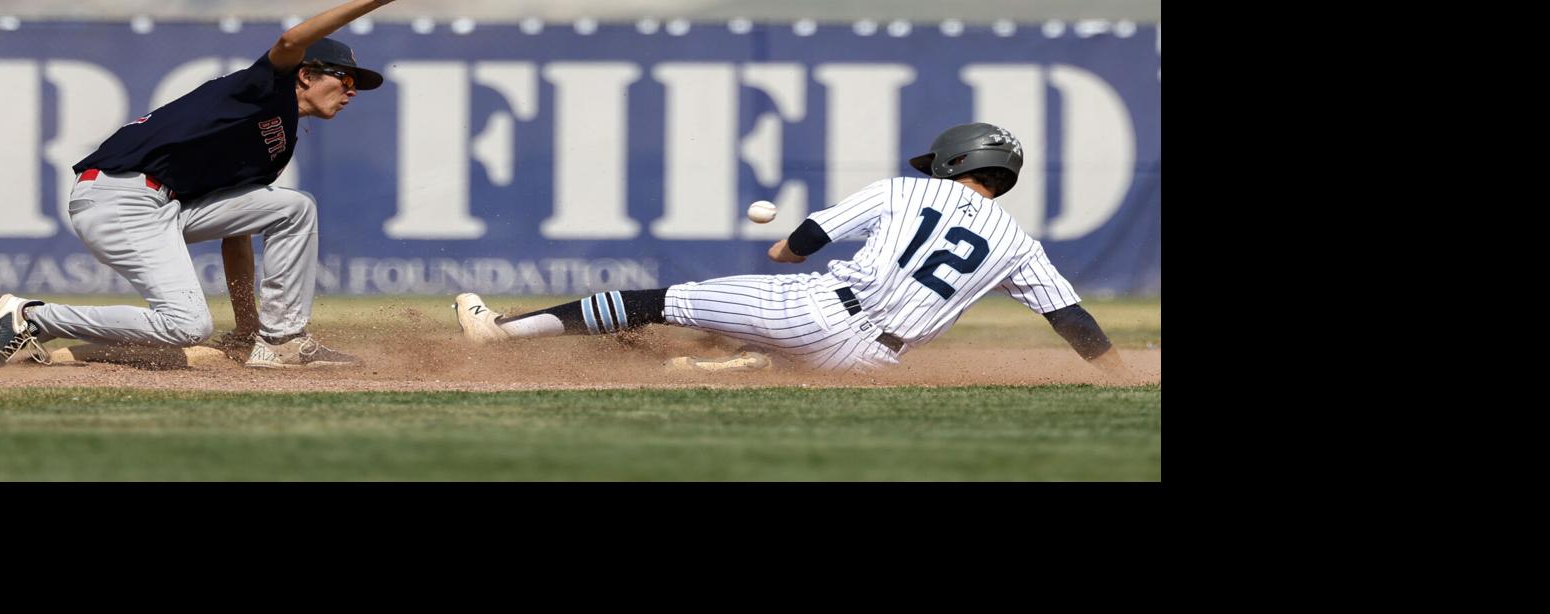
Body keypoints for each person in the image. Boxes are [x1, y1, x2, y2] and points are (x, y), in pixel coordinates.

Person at [450, 122, 1131, 378]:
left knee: (654, 301)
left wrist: (783, 247)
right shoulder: (1020, 243)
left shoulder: (903, 190)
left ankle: (502, 335)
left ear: (953, 162)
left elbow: (803, 243)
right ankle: (737, 366)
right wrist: (1123, 378)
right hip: (874, 363)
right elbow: (1072, 322)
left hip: (819, 310)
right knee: (764, 345)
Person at [0, 0, 396, 371]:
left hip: (162, 207)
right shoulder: (266, 88)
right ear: (306, 75)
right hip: (119, 196)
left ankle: (280, 340)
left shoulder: (277, 146)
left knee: (293, 207)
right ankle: (33, 318)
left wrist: (248, 329)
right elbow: (289, 41)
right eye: (346, 78)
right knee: (187, 325)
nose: (351, 91)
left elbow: (238, 235)